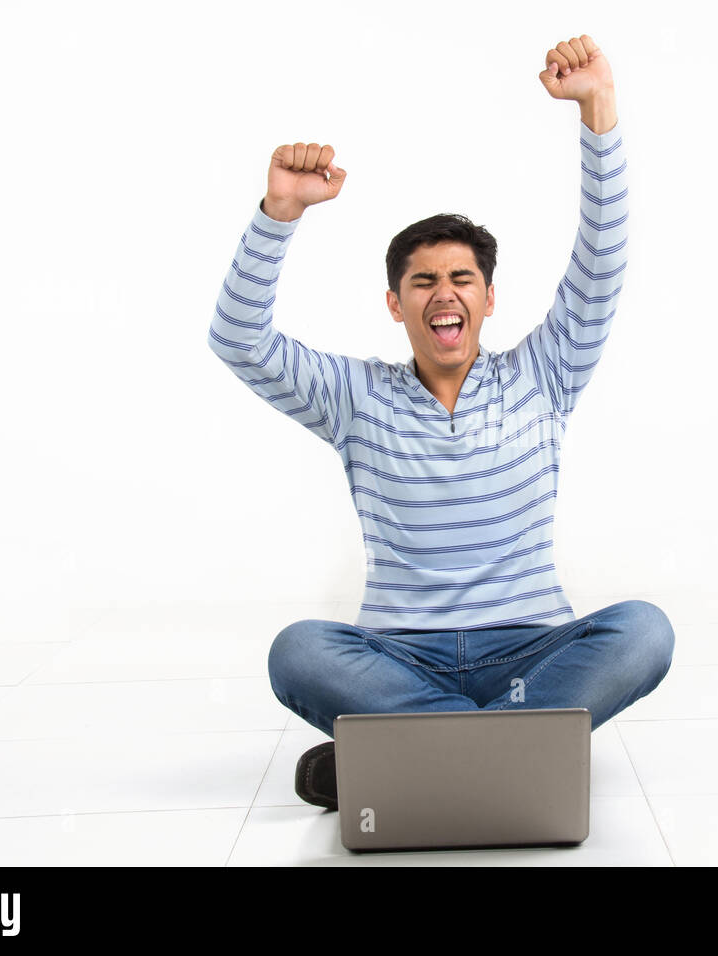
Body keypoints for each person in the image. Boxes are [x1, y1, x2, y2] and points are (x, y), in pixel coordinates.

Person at [208, 35, 673, 811]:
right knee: (297, 651)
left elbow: (603, 258)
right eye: (422, 281)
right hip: (401, 658)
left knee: (646, 630)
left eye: (462, 278)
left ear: (489, 299)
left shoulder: (544, 373)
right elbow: (238, 339)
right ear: (397, 305)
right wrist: (279, 213)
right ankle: (512, 752)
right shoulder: (353, 394)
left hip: (534, 645)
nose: (443, 292)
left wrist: (597, 111)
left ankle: (421, 758)